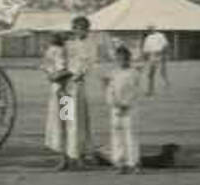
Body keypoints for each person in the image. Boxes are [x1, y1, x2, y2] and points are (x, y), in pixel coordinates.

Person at [63, 16, 101, 167]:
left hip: (78, 84)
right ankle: (67, 155)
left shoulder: (91, 45)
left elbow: (90, 64)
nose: (80, 31)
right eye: (77, 28)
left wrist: (79, 75)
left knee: (79, 120)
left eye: (83, 28)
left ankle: (79, 154)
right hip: (65, 85)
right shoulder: (67, 44)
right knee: (66, 119)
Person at [105, 45, 141, 175]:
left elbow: (135, 91)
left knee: (130, 135)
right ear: (116, 59)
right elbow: (110, 90)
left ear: (129, 58)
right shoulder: (113, 73)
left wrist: (126, 104)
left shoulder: (134, 73)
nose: (122, 60)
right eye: (119, 58)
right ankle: (120, 163)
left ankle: (133, 163)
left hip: (129, 109)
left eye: (125, 58)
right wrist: (114, 103)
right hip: (115, 109)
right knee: (117, 136)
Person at [41, 32, 71, 167]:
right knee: (64, 122)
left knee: (62, 122)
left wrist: (53, 76)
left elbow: (62, 71)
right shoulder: (57, 51)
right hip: (62, 90)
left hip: (62, 90)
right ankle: (66, 156)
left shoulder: (56, 51)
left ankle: (64, 157)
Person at [142, 24, 170, 95]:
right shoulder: (148, 38)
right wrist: (145, 56)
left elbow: (165, 45)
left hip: (160, 55)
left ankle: (166, 84)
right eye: (149, 29)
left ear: (154, 29)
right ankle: (150, 90)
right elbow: (146, 49)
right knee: (151, 74)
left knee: (162, 72)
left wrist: (163, 54)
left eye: (151, 28)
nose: (150, 30)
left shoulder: (160, 35)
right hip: (152, 55)